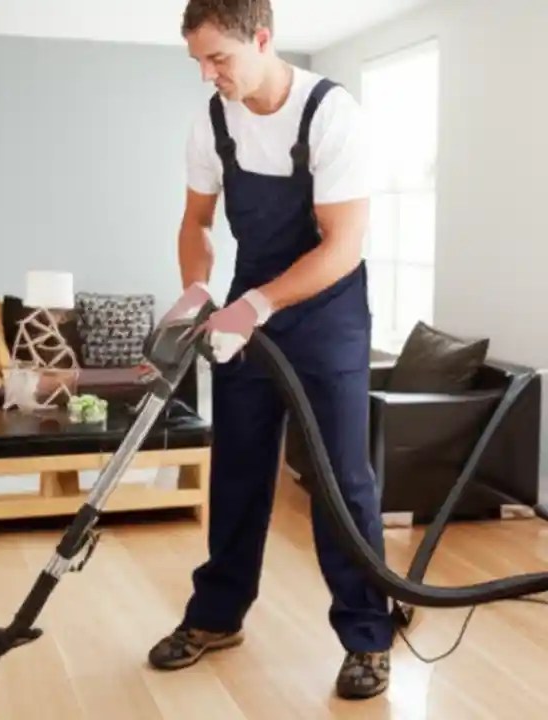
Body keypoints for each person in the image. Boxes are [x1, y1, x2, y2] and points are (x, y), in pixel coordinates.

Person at [145, 0, 394, 700]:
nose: (208, 74)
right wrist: (198, 290)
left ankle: (367, 638)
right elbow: (196, 220)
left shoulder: (331, 115)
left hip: (329, 310)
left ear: (262, 38)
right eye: (197, 60)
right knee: (239, 468)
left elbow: (343, 246)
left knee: (340, 478)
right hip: (245, 309)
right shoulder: (212, 120)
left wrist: (256, 304)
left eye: (218, 58)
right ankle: (218, 615)